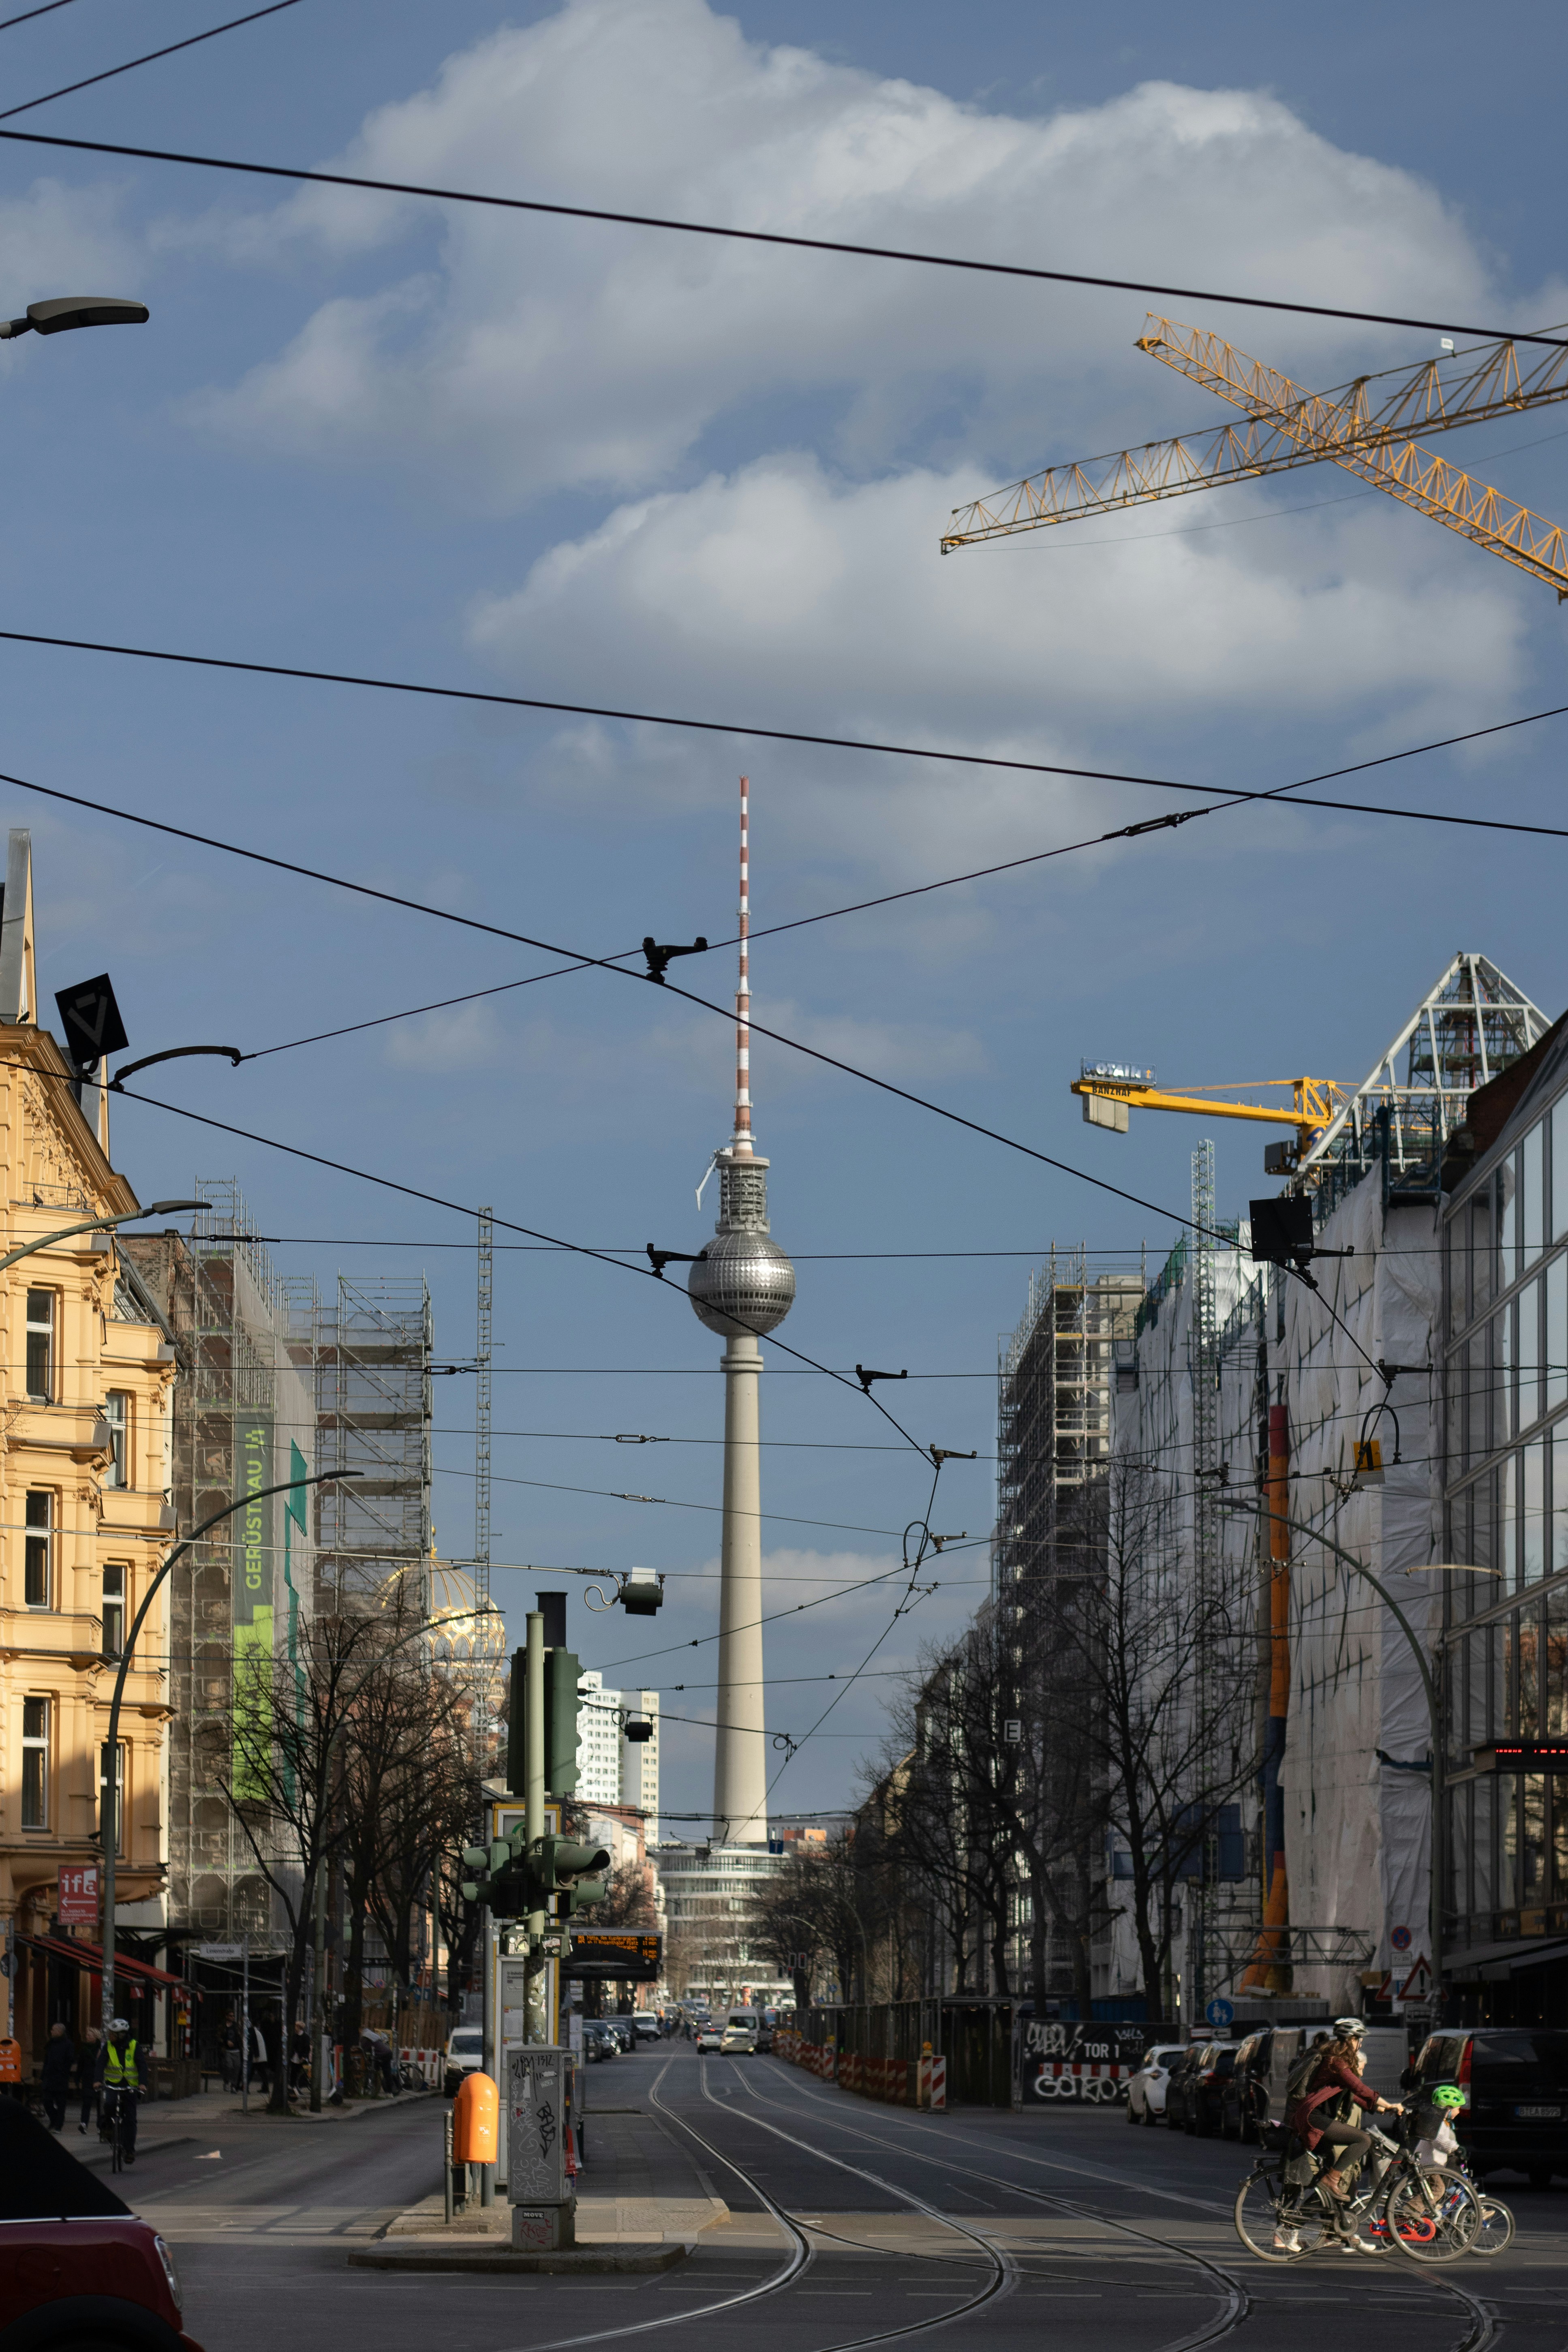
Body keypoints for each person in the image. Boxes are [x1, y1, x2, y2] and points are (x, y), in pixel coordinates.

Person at [1287, 2017, 1401, 2203]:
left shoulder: (1334, 2060)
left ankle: (1300, 2220)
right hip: (1313, 2116)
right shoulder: (1336, 2062)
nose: (1360, 2044)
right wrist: (1389, 2104)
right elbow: (1359, 2088)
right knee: (1364, 2140)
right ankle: (1331, 2180)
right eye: (1359, 2040)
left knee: (1334, 2177)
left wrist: (1380, 2108)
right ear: (1352, 2040)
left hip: (1314, 2115)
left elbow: (1353, 2095)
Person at [101, 2017, 142, 2164]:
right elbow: (101, 2064)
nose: (109, 2036)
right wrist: (96, 2080)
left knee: (130, 2120)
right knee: (109, 2105)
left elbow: (142, 2065)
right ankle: (107, 2125)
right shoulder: (108, 2046)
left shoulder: (134, 2046)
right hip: (113, 2085)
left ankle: (129, 2151)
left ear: (121, 2035)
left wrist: (143, 2084)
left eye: (112, 2034)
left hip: (130, 2087)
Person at [40, 2022, 73, 2132]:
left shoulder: (68, 2044)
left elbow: (69, 2060)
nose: (51, 2031)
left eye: (53, 2030)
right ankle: (54, 2120)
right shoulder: (51, 2044)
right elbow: (47, 2061)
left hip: (60, 2079)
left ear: (60, 2032)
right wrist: (43, 2076)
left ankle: (58, 2125)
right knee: (47, 2101)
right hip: (49, 2078)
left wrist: (63, 2072)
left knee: (61, 2103)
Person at [77, 2025, 103, 2136]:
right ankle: (84, 2124)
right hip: (87, 2079)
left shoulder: (101, 2049)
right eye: (87, 2035)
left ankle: (100, 2126)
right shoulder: (84, 2050)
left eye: (90, 2035)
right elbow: (80, 2066)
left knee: (100, 2104)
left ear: (96, 2037)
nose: (87, 2037)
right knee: (86, 2103)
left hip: (99, 2080)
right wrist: (78, 2078)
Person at [218, 2014, 241, 2093]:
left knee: (237, 2068)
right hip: (227, 2050)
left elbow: (240, 2035)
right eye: (231, 2016)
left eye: (233, 2016)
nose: (232, 2018)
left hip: (236, 2050)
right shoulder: (223, 2027)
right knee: (229, 2067)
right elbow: (219, 2037)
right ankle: (227, 2082)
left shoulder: (236, 2026)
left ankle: (234, 2086)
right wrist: (226, 2042)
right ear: (227, 2017)